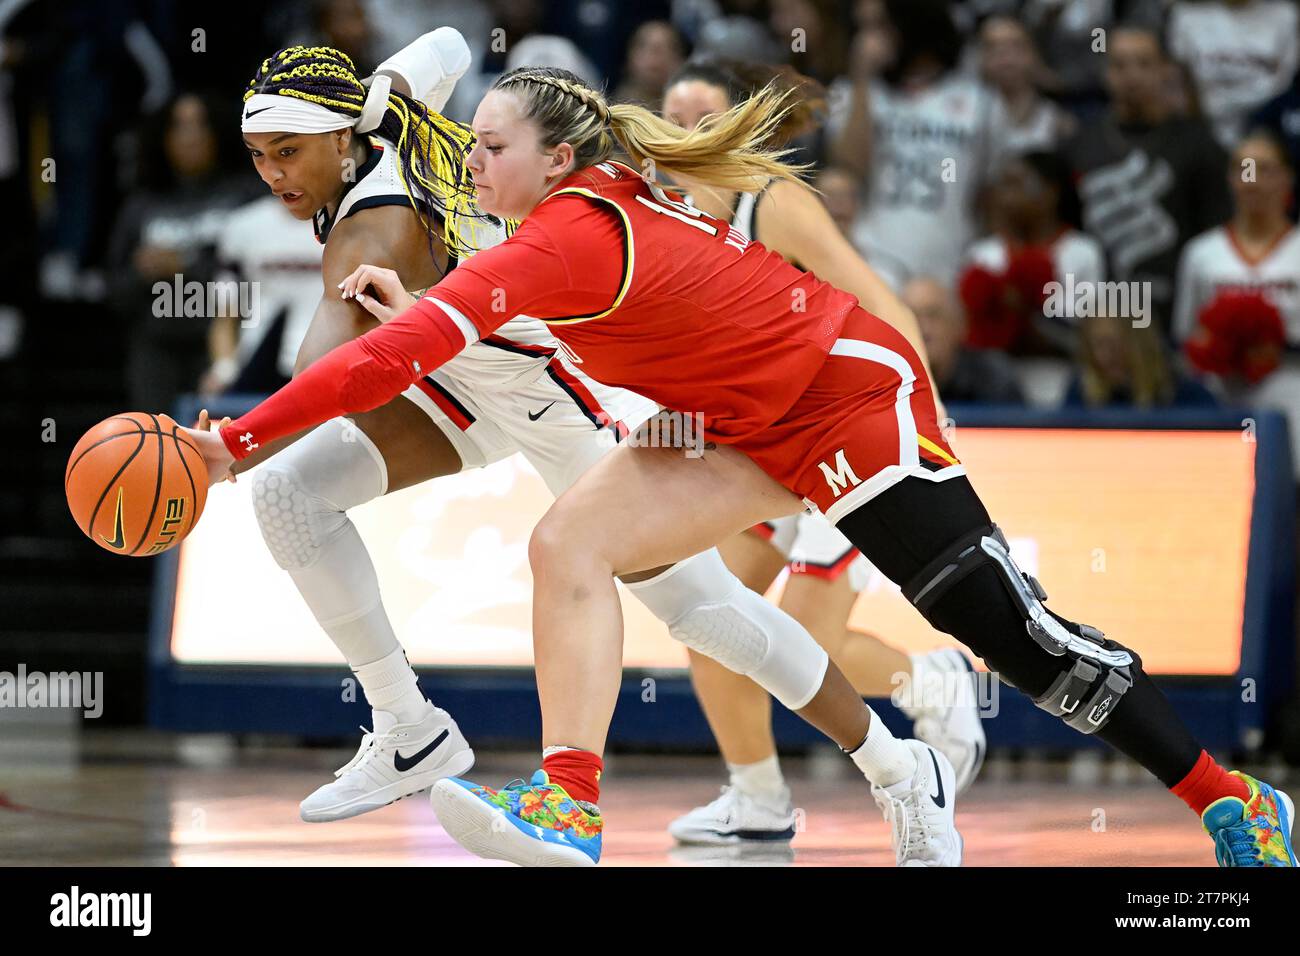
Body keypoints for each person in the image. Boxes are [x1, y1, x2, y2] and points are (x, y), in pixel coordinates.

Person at [186, 66, 1296, 870]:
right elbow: (451, 306)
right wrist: (412, 258)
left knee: (1016, 637)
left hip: (848, 399)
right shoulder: (546, 220)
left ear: (559, 158)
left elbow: (393, 357)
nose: (470, 163)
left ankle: (1229, 793)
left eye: (490, 147)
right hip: (735, 421)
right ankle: (571, 799)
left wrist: (227, 443)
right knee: (573, 543)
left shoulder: (567, 232)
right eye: (467, 146)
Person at [223, 40, 959, 863]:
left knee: (702, 613)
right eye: (257, 156)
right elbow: (450, 45)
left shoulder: (372, 229)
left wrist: (220, 446)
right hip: (461, 367)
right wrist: (384, 89)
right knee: (289, 493)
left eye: (288, 152)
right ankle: (408, 726)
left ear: (338, 141)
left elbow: (327, 378)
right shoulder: (384, 121)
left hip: (557, 392)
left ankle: (897, 765)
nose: (274, 174)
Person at [659, 57, 986, 847]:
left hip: (848, 435)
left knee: (808, 644)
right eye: (669, 120)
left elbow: (884, 302)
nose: (680, 138)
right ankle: (759, 799)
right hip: (762, 452)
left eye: (701, 120)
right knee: (708, 618)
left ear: (738, 127)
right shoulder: (663, 212)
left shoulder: (773, 202)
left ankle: (932, 683)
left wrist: (925, 415)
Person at [1065, 23, 1232, 333]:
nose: (1132, 76)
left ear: (1163, 71)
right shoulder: (1080, 145)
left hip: (1175, 310)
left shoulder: (1199, 143)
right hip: (1099, 315)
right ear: (1106, 73)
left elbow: (1215, 232)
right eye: (1120, 65)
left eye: (1144, 64)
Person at [961, 150, 1105, 355]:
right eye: (1002, 186)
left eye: (1015, 185)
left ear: (1050, 192)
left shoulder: (1083, 253)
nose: (1005, 197)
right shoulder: (981, 255)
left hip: (1061, 375)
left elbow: (1085, 333)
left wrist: (1024, 311)